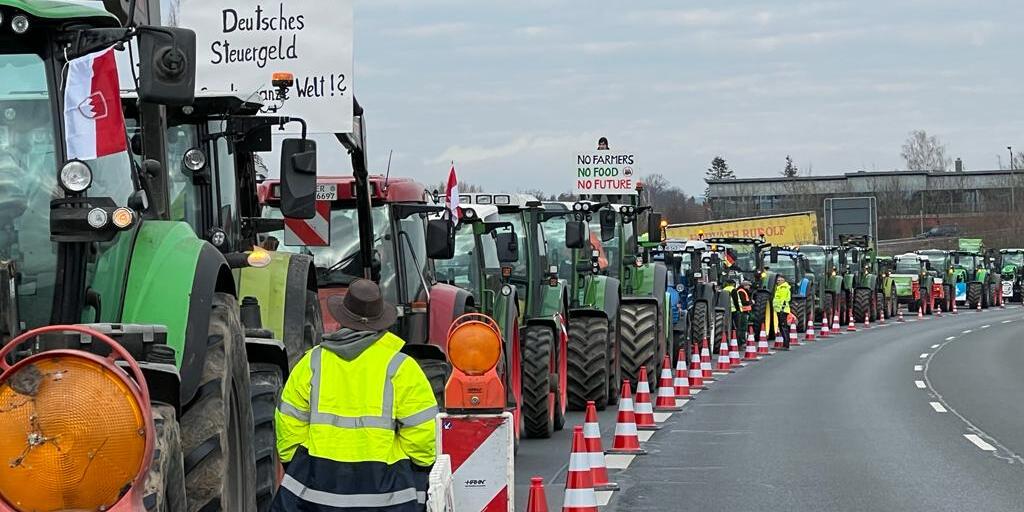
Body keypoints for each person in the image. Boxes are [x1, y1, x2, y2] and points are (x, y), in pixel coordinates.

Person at [273, 278, 438, 511]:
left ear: (342, 318)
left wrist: (302, 469)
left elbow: (288, 429)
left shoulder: (312, 362)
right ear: (381, 323)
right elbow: (423, 441)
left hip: (317, 496)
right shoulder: (402, 367)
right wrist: (408, 472)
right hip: (387, 497)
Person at [772, 274, 793, 349]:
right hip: (780, 310)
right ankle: (785, 344)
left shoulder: (783, 288)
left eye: (779, 280)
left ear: (783, 281)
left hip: (782, 310)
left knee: (783, 327)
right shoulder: (779, 288)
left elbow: (784, 300)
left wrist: (781, 309)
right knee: (781, 326)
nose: (777, 282)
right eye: (777, 280)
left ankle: (786, 344)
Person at [737, 280, 753, 346]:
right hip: (743, 312)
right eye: (748, 285)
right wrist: (751, 302)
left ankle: (741, 341)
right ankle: (742, 342)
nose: (749, 287)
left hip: (744, 311)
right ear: (745, 286)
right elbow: (743, 302)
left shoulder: (742, 291)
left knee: (742, 327)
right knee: (742, 327)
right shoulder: (741, 291)